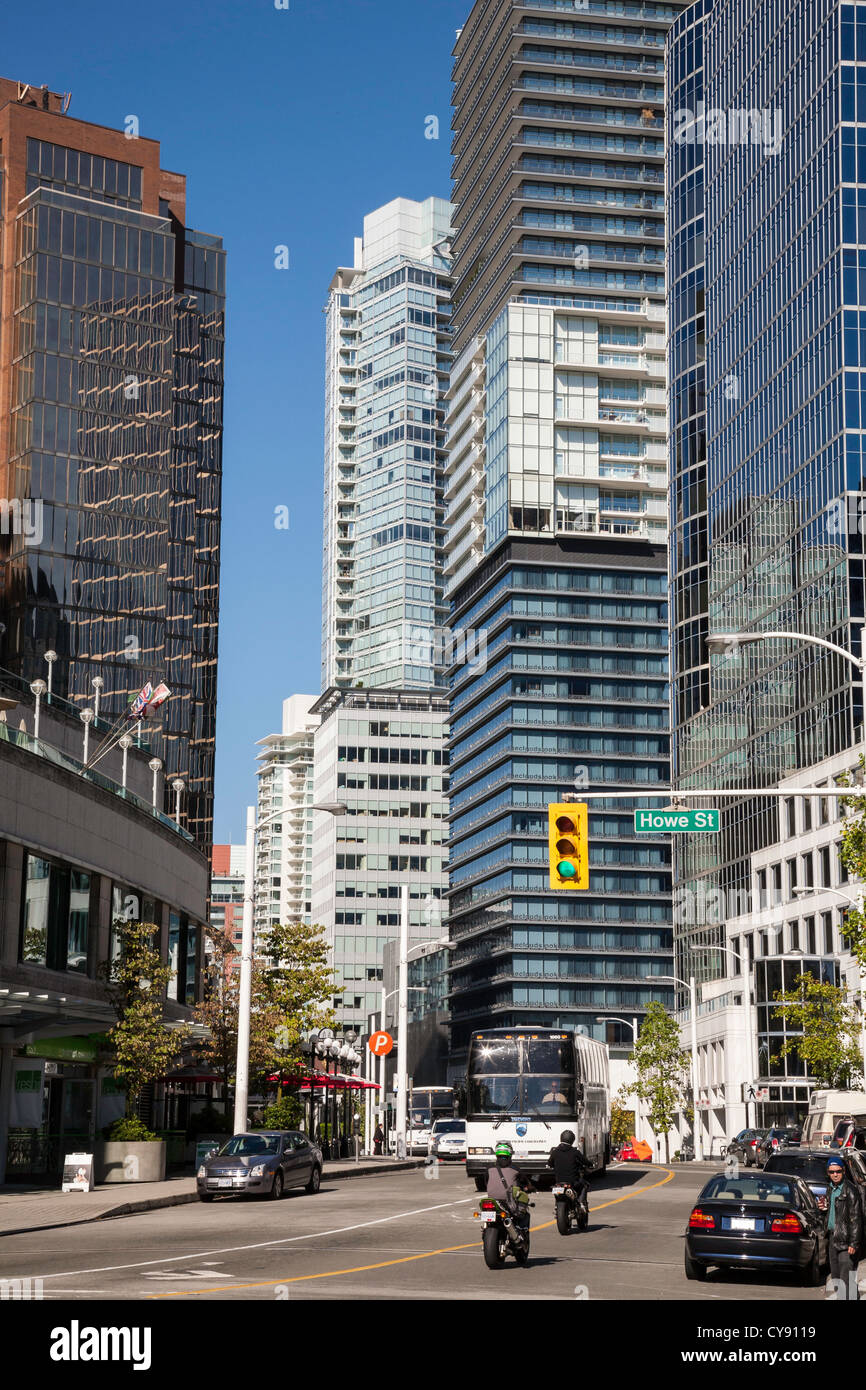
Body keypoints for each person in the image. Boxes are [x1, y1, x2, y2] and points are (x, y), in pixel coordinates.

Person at [823, 1156, 862, 1301]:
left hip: (846, 1241)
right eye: (832, 1172)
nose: (835, 1174)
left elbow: (856, 1218)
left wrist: (854, 1242)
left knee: (844, 1279)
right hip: (833, 1237)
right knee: (836, 1277)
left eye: (838, 1171)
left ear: (843, 1171)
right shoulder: (830, 1189)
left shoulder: (850, 1191)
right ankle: (853, 1297)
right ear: (828, 1172)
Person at [486, 1141, 534, 1233]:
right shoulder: (516, 1169)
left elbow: (486, 1182)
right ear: (510, 1153)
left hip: (492, 1201)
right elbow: (524, 1183)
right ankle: (521, 1230)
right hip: (509, 1202)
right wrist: (530, 1188)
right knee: (525, 1214)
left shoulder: (489, 1168)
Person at [547, 1129, 590, 1201]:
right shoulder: (575, 1152)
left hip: (559, 1182)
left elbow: (549, 1163)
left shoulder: (555, 1152)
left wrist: (550, 1166)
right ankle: (582, 1203)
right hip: (573, 1182)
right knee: (584, 1185)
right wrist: (590, 1164)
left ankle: (556, 1206)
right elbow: (585, 1161)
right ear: (572, 1140)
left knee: (556, 1189)